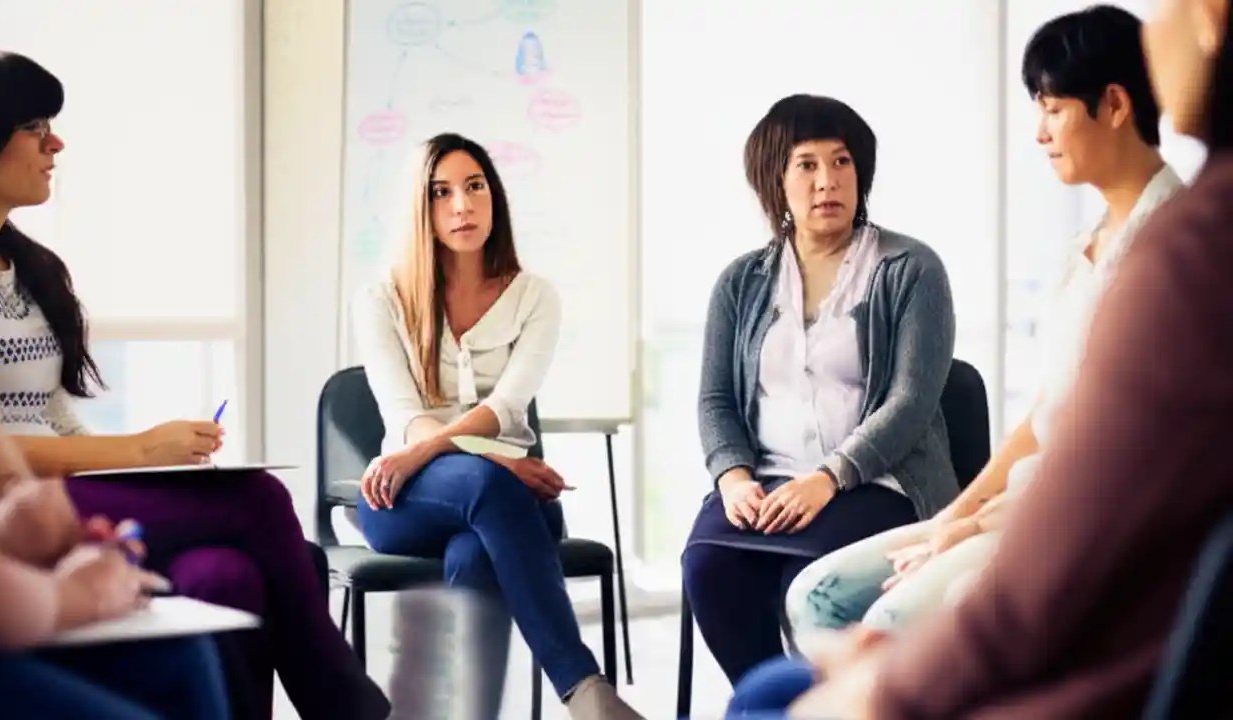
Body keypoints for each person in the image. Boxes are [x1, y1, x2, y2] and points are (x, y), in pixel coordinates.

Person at [775, 0, 1233, 716]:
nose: (1040, 131)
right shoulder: (1081, 257)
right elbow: (1044, 420)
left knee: (870, 633)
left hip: (1046, 517)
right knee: (815, 596)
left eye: (1053, 108)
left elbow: (1099, 480)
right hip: (1024, 503)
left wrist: (973, 528)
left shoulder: (1178, 250)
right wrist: (951, 512)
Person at [0, 48, 389, 720]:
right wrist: (137, 451)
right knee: (261, 499)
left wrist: (143, 456)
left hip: (62, 487)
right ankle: (350, 707)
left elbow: (58, 420)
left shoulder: (33, 269)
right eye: (34, 126)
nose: (56, 142)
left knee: (224, 575)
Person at [351, 132, 642, 720]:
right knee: (489, 487)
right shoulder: (381, 299)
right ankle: (584, 689)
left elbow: (508, 406)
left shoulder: (535, 297)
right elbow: (404, 418)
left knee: (478, 551)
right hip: (407, 498)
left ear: (494, 197)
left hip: (511, 502)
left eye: (475, 186)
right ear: (422, 208)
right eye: (442, 192)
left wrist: (483, 456)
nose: (462, 205)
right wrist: (498, 459)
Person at [681, 93, 959, 687]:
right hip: (768, 483)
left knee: (799, 579)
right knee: (709, 566)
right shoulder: (741, 282)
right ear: (775, 181)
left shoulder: (911, 268)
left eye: (841, 163)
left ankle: (818, 701)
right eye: (806, 164)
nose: (826, 181)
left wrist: (827, 478)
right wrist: (733, 477)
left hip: (878, 483)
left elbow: (910, 402)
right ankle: (773, 702)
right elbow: (715, 401)